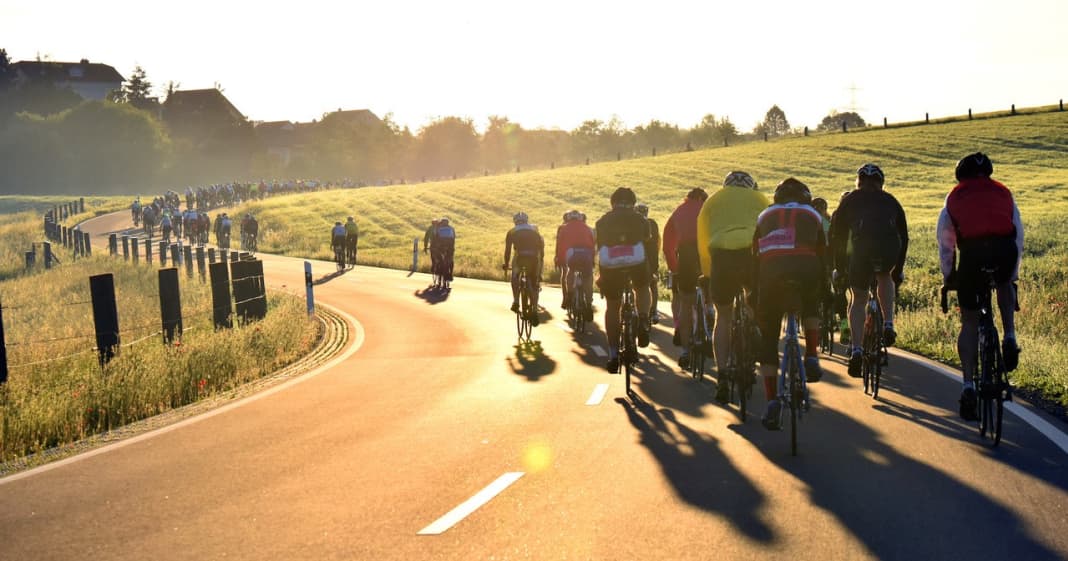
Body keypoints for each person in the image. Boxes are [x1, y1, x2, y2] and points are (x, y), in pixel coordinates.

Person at [937, 152, 1023, 421]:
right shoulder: (1004, 192)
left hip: (972, 256)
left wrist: (949, 276)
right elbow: (1018, 235)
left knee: (970, 321)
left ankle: (968, 386)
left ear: (960, 176)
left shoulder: (954, 197)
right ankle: (1009, 337)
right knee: (1005, 283)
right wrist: (1012, 274)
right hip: (1004, 250)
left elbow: (946, 243)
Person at [753, 178, 828, 430]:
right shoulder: (812, 214)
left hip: (771, 271)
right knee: (811, 304)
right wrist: (824, 287)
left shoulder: (764, 215)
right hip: (806, 267)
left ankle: (771, 400)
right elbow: (823, 252)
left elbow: (754, 254)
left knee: (769, 335)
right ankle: (812, 355)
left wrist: (754, 291)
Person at [830, 164, 909, 378]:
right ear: (880, 183)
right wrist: (898, 268)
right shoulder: (890, 200)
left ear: (859, 182)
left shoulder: (849, 200)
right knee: (885, 276)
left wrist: (840, 268)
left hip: (862, 249)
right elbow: (904, 235)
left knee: (858, 299)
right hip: (888, 248)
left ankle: (856, 350)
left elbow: (838, 237)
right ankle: (889, 323)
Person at [697, 171, 770, 403]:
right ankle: (754, 329)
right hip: (751, 254)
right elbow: (770, 230)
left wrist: (708, 273)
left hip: (722, 256)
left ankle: (722, 375)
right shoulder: (760, 198)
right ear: (750, 186)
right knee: (755, 298)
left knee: (724, 316)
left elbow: (702, 240)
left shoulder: (712, 201)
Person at [595, 187, 652, 373]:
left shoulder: (602, 221)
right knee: (642, 287)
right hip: (636, 261)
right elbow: (647, 238)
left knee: (613, 307)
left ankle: (613, 354)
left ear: (613, 203)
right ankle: (643, 319)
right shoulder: (640, 218)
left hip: (611, 265)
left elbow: (599, 244)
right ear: (633, 203)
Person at [662, 187, 709, 370]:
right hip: (707, 252)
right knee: (713, 294)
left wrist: (675, 269)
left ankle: (685, 352)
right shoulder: (709, 208)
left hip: (687, 254)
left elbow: (668, 246)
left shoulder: (679, 211)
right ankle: (710, 312)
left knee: (686, 303)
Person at [503, 212, 545, 325]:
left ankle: (516, 301)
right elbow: (541, 248)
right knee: (535, 285)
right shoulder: (534, 230)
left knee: (515, 277)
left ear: (515, 222)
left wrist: (506, 264)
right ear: (527, 221)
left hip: (520, 257)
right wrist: (540, 261)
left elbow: (508, 251)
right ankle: (534, 310)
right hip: (534, 258)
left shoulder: (512, 231)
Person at [555, 210, 596, 320]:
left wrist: (560, 259)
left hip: (572, 253)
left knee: (571, 271)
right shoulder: (588, 228)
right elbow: (593, 245)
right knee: (588, 277)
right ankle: (588, 304)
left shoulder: (564, 228)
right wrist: (592, 260)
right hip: (586, 254)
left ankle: (569, 294)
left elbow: (561, 246)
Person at [636, 203, 661, 324]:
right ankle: (654, 310)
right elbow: (658, 243)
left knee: (637, 286)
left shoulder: (633, 224)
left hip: (637, 259)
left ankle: (639, 310)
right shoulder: (652, 224)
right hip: (652, 259)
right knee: (653, 285)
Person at [434, 216, 456, 282]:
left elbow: (435, 239)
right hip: (450, 246)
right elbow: (453, 238)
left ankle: (437, 269)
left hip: (441, 246)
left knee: (438, 258)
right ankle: (451, 273)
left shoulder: (439, 228)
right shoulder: (452, 228)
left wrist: (435, 247)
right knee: (451, 260)